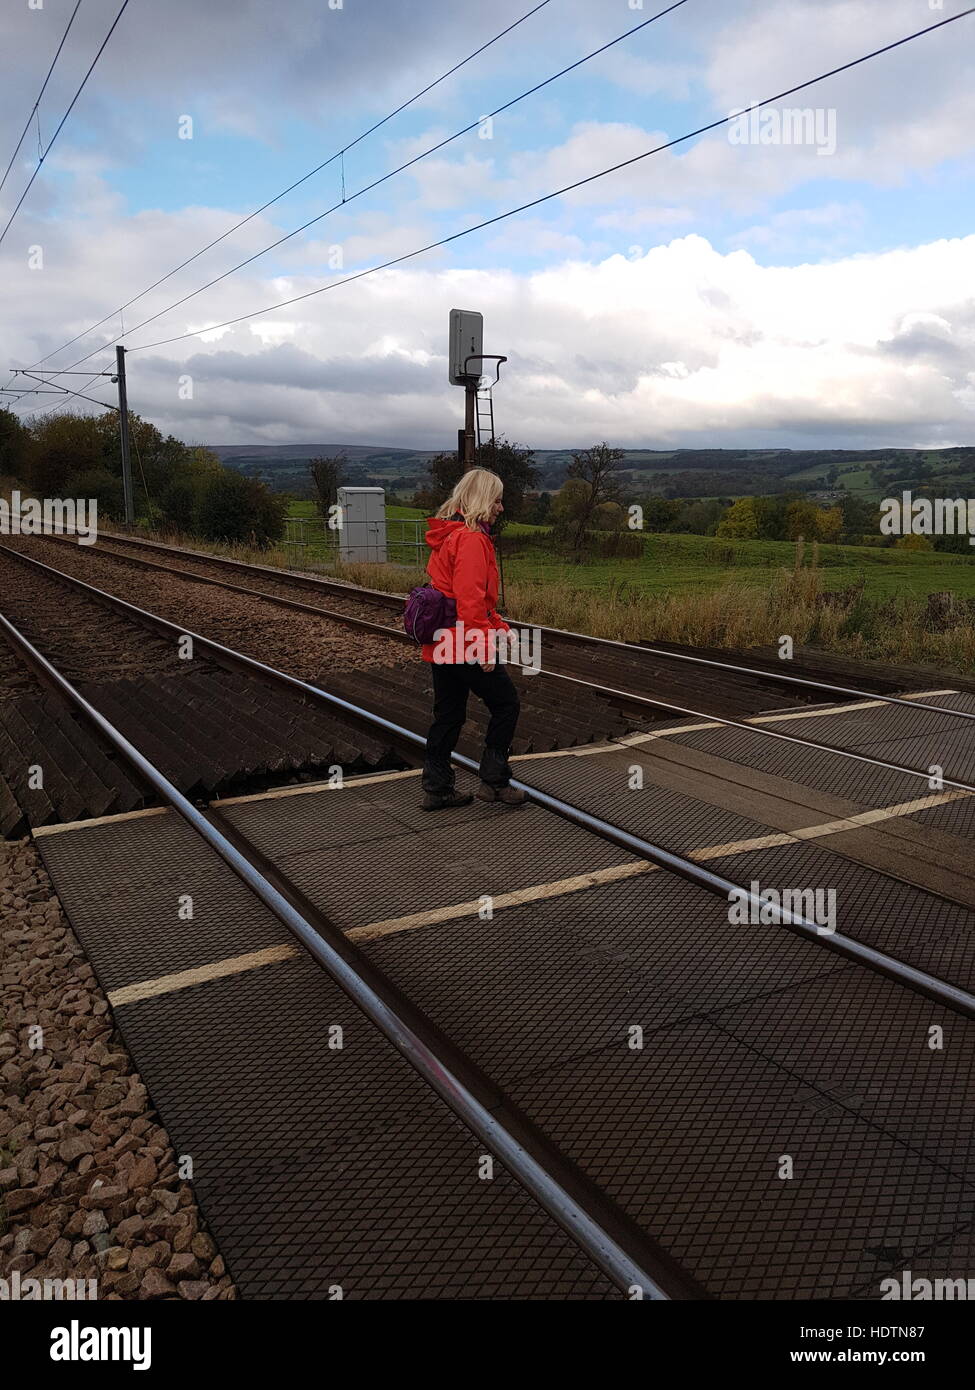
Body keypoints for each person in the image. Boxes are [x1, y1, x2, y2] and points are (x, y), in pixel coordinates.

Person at [419, 467, 527, 811]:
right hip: (461, 643)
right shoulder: (472, 540)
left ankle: (437, 788)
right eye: (496, 500)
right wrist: (483, 649)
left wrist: (499, 626)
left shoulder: (450, 534)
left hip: (441, 642)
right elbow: (469, 601)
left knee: (448, 715)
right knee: (506, 703)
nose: (501, 507)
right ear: (482, 500)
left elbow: (462, 595)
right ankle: (494, 782)